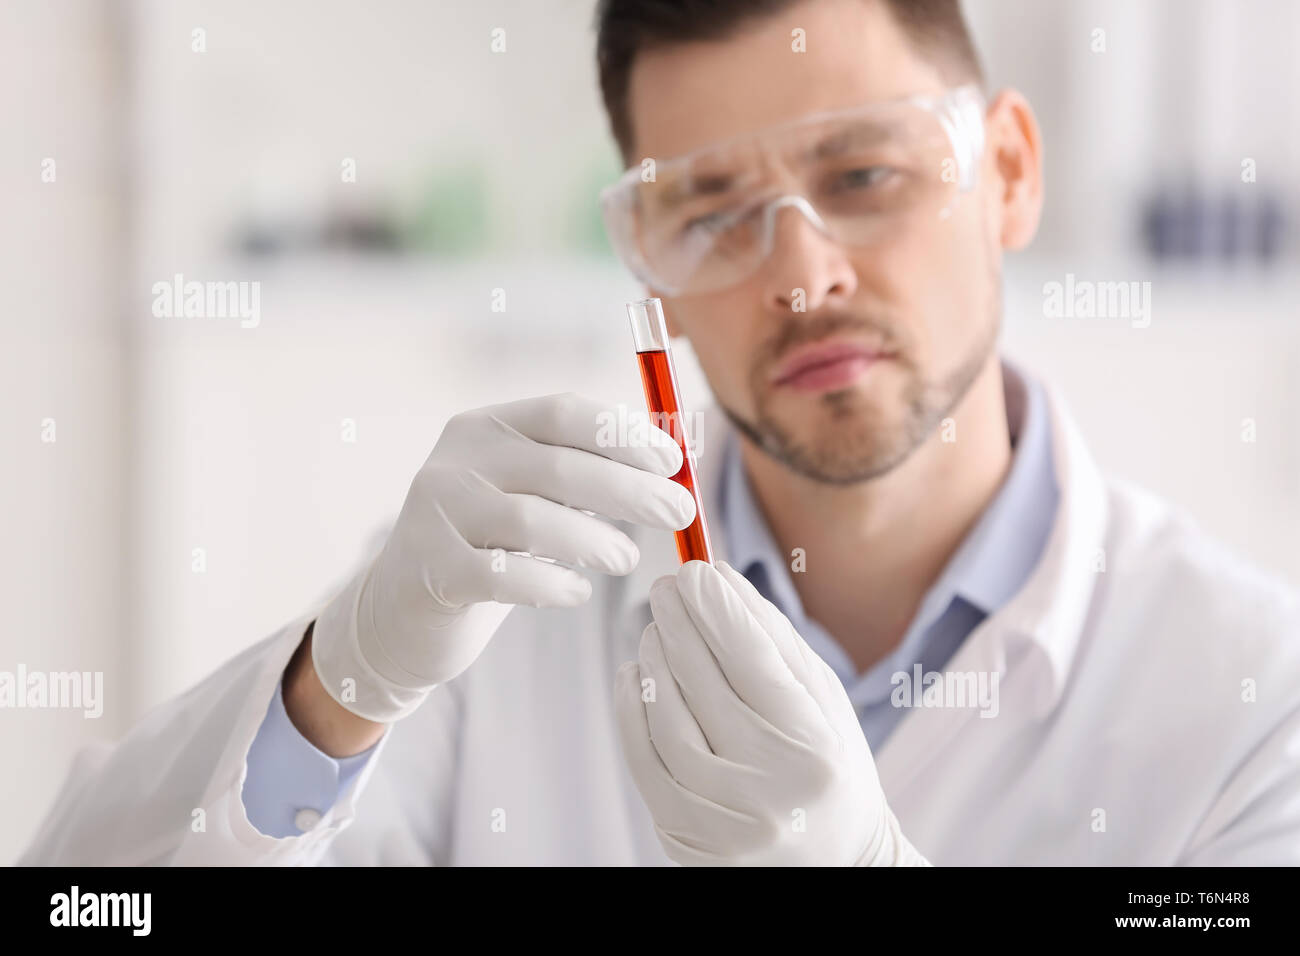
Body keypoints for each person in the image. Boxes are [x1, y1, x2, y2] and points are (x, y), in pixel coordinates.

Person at [20, 0, 1300, 866]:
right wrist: (331, 690)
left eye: (862, 175)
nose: (800, 274)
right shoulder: (491, 612)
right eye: (710, 208)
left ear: (1010, 172)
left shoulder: (1254, 704)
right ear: (647, 265)